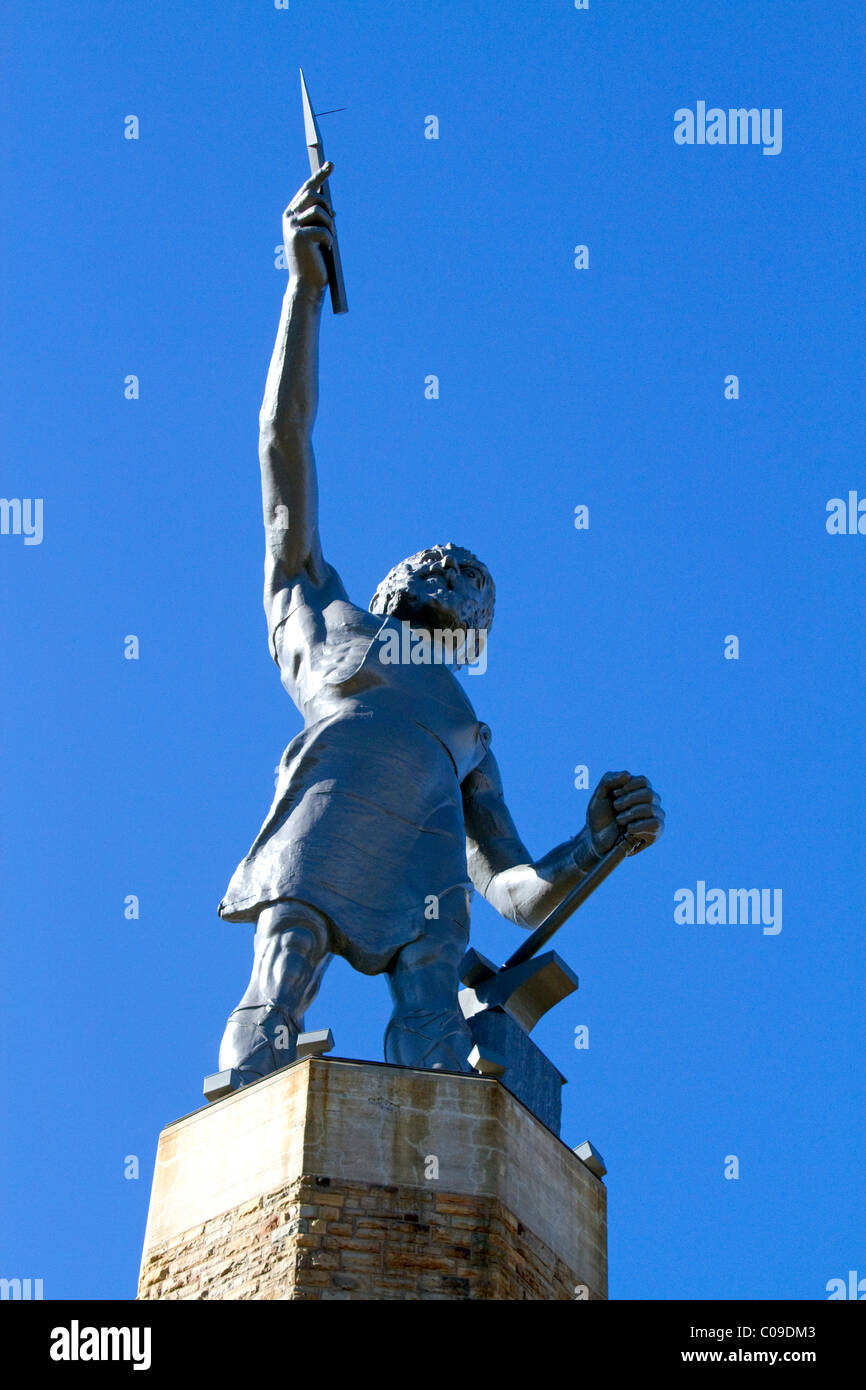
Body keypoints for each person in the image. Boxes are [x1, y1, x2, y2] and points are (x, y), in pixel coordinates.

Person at [216, 164, 664, 1085]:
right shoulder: (319, 607)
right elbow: (280, 440)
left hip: (432, 883)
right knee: (283, 969)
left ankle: (441, 1138)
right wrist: (300, 288)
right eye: (447, 567)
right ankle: (255, 1086)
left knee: (435, 1026)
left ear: (477, 632)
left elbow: (512, 890)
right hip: (331, 804)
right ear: (398, 581)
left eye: (475, 585)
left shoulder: (468, 730)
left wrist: (596, 841)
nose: (458, 582)